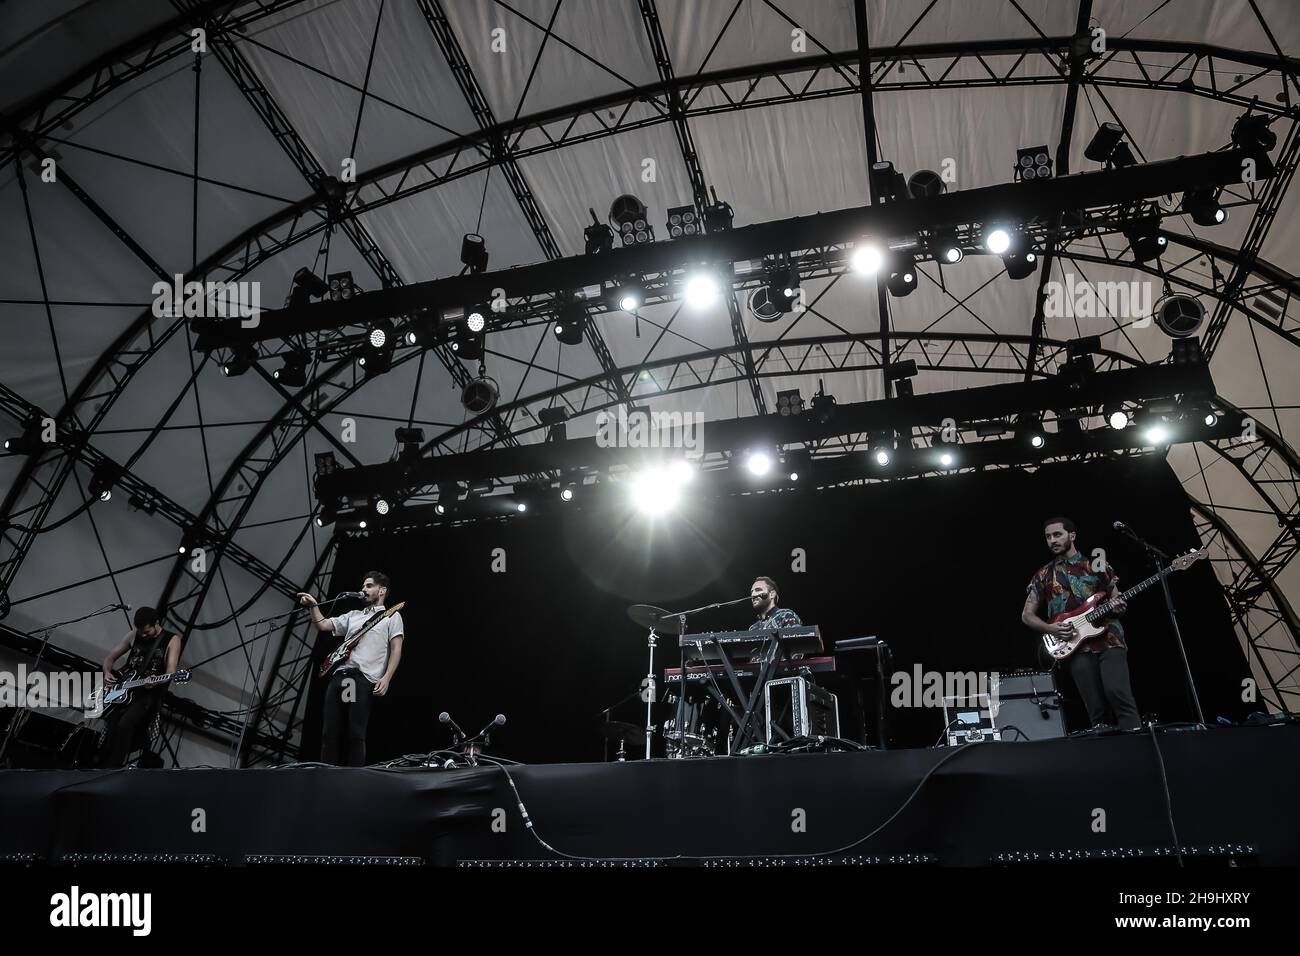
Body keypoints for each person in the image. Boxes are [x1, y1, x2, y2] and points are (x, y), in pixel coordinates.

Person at [1022, 517, 1140, 731]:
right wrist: (1051, 628)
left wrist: (1119, 606)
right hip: (1075, 645)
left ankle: (1138, 746)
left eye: (1057, 534)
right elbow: (1027, 615)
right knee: (1095, 708)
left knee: (1118, 693)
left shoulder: (1096, 564)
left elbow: (1116, 598)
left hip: (1109, 638)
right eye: (1048, 537)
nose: (1052, 540)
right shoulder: (1043, 574)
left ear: (1072, 536)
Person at [297, 571, 404, 766]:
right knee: (330, 732)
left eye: (369, 586)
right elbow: (323, 625)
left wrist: (387, 677)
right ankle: (325, 774)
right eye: (363, 586)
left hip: (358, 679)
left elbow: (396, 649)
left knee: (354, 732)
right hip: (340, 676)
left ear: (382, 590)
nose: (363, 589)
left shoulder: (391, 617)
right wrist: (313, 606)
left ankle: (352, 777)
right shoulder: (353, 616)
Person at [98, 607, 182, 767]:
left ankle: (113, 768)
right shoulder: (133, 635)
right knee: (112, 725)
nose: (143, 635)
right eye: (141, 632)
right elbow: (110, 657)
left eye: (147, 632)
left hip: (147, 693)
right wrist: (107, 671)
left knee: (125, 724)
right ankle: (101, 764)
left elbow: (171, 672)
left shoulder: (172, 639)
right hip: (124, 688)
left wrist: (156, 680)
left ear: (156, 623)